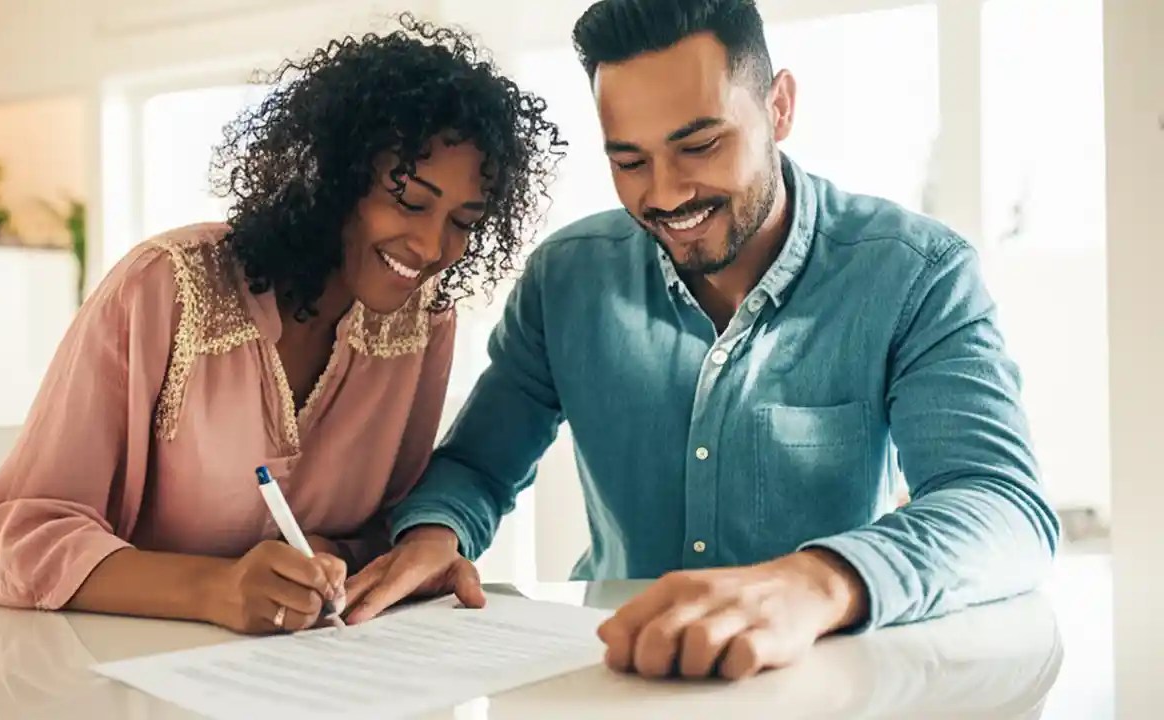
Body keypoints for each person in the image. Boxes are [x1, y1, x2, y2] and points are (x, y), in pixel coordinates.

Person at [344, 0, 1060, 681]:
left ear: (779, 107)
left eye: (699, 145)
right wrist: (433, 535)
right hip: (610, 674)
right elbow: (478, 465)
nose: (664, 194)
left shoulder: (917, 274)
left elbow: (1000, 503)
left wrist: (815, 582)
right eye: (630, 162)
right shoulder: (565, 278)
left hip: (822, 679)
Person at [0, 14, 564, 635]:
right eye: (410, 201)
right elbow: (24, 538)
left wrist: (357, 558)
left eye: (463, 221)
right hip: (117, 663)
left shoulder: (423, 321)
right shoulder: (164, 288)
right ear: (335, 178)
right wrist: (216, 589)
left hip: (306, 670)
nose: (431, 246)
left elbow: (384, 526)